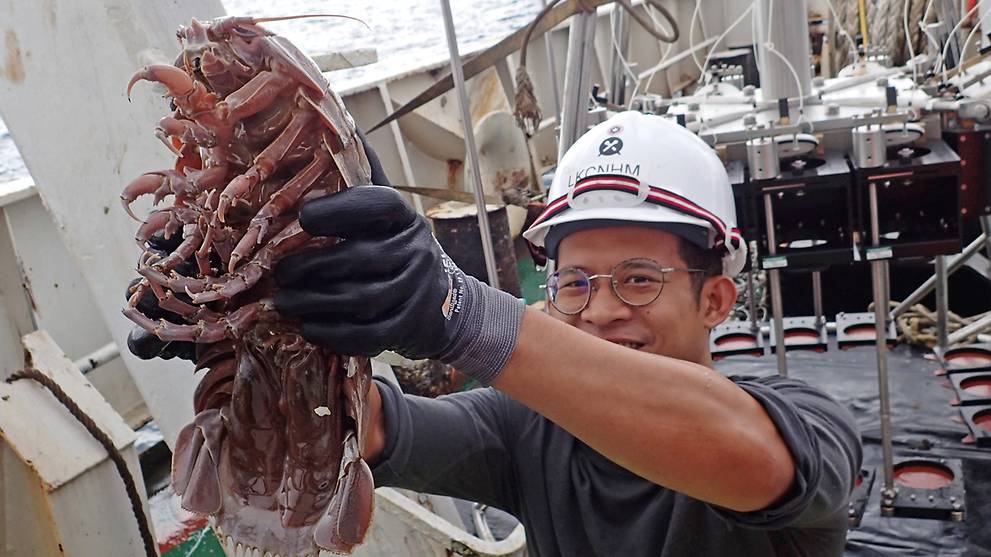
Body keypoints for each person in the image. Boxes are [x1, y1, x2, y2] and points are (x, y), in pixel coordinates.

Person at [130, 111, 862, 556]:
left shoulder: (809, 425)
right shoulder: (524, 429)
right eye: (575, 282)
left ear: (716, 299)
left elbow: (754, 461)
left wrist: (459, 313)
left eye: (638, 279)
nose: (601, 310)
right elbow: (376, 427)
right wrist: (255, 319)